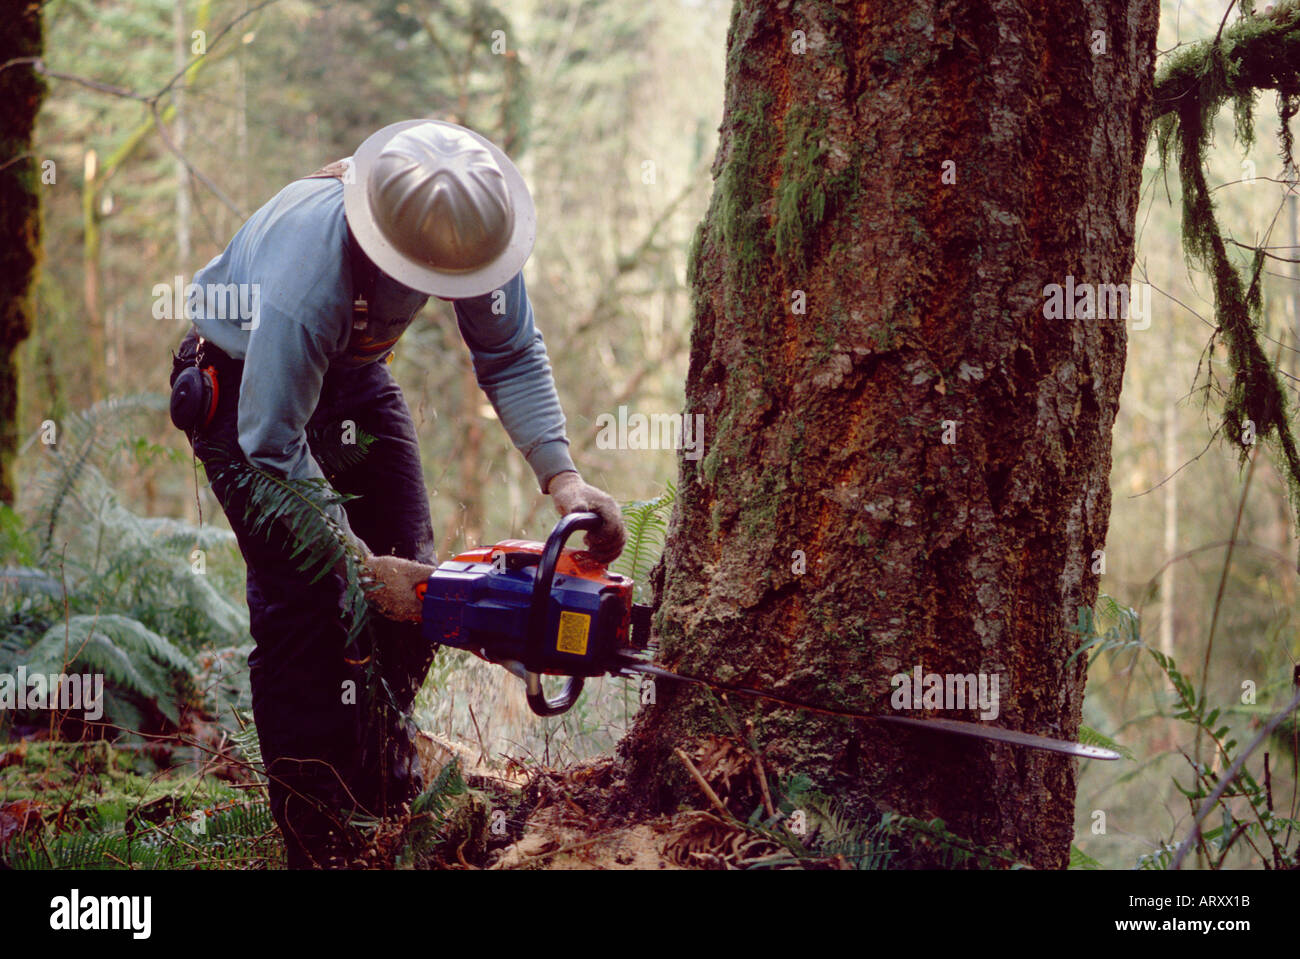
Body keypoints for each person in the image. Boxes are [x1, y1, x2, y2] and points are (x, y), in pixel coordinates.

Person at [168, 119, 626, 868]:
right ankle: (317, 840)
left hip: (350, 376)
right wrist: (352, 558)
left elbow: (508, 350)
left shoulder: (474, 229)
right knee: (308, 605)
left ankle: (385, 797)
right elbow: (271, 442)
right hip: (243, 392)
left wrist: (564, 477)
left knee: (423, 582)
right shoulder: (307, 276)